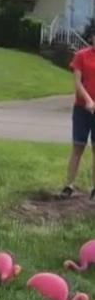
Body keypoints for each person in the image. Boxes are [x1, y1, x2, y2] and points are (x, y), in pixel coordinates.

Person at [60, 34, 95, 198]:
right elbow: (78, 82)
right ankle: (69, 185)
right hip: (82, 109)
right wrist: (88, 100)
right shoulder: (82, 55)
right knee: (78, 147)